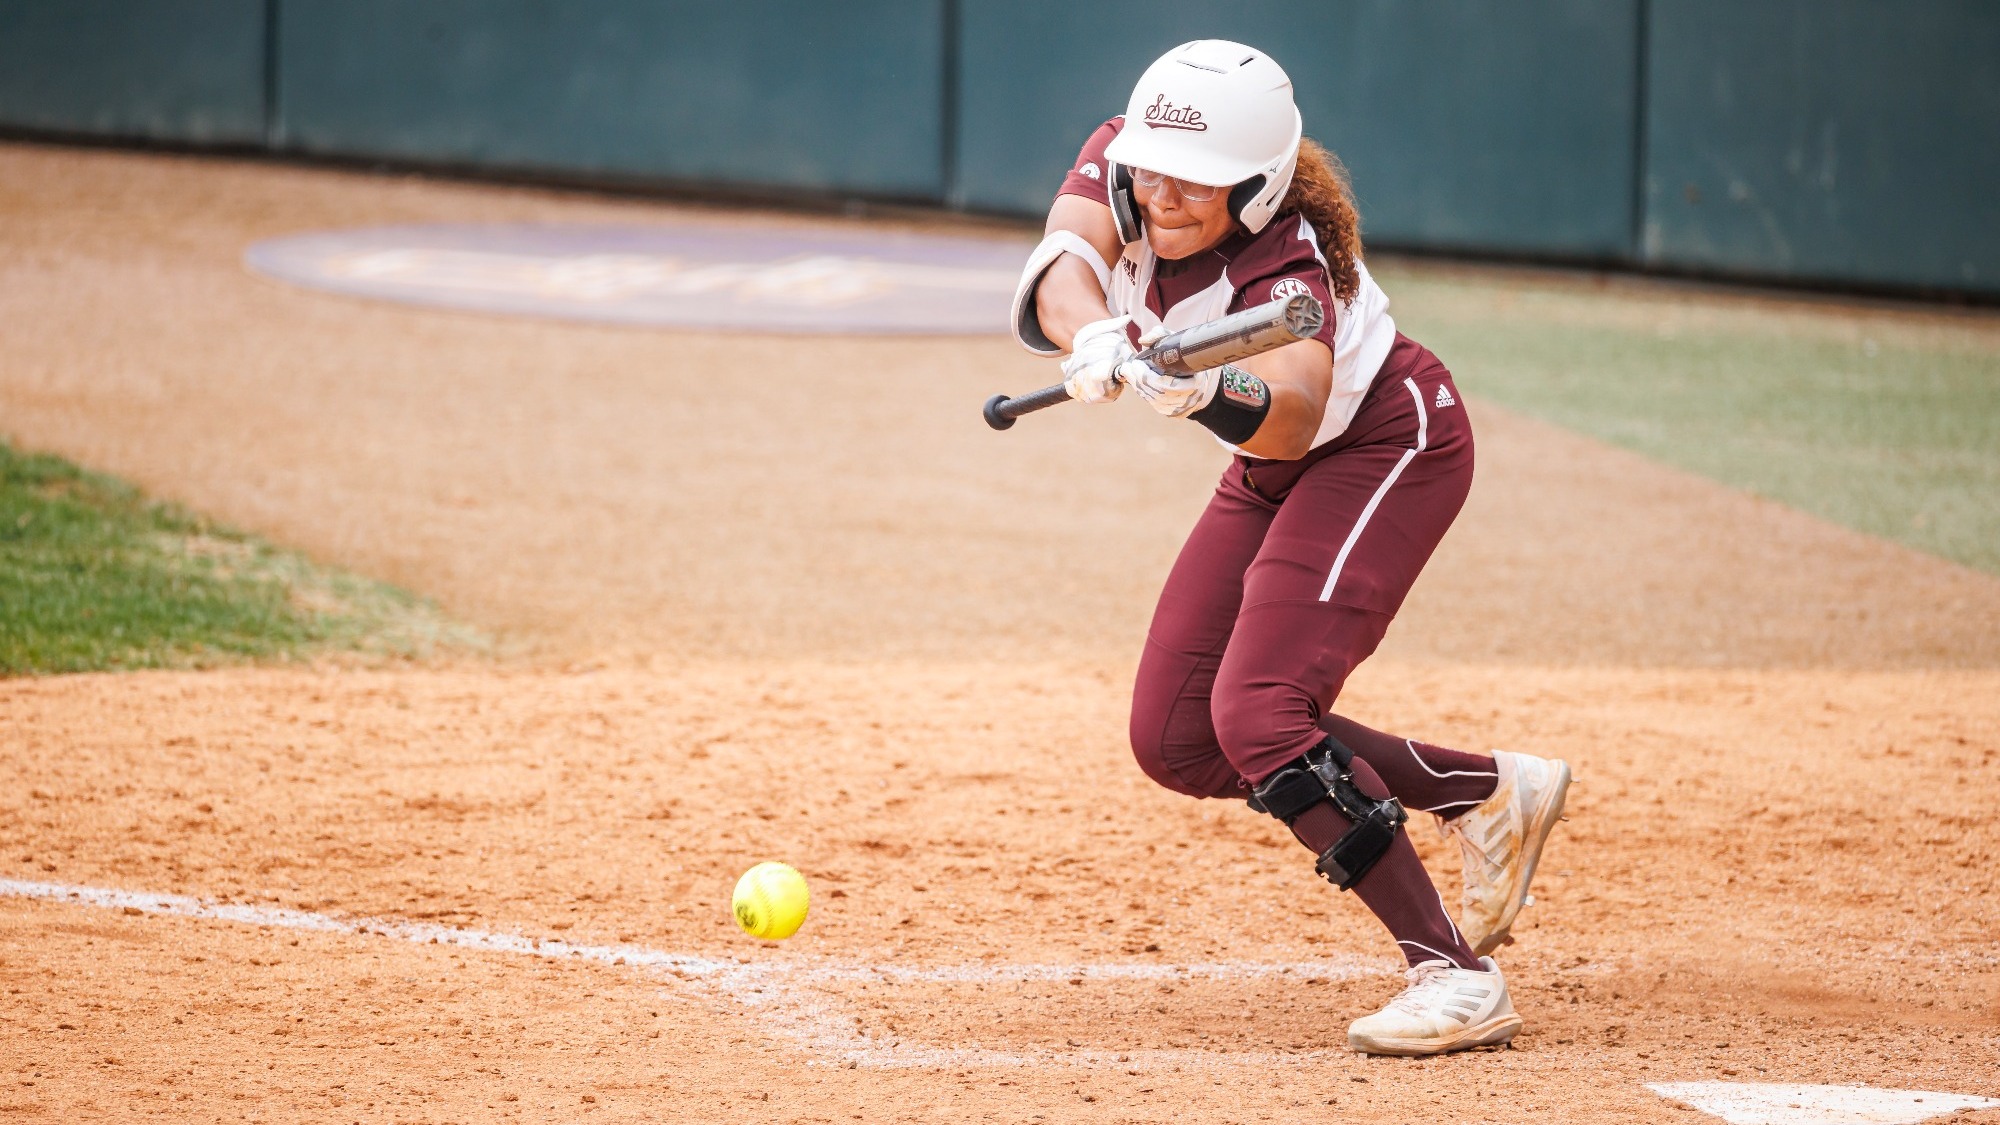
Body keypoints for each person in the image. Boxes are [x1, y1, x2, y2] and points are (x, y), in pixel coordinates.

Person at [1010, 40, 1572, 1057]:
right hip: (1279, 471)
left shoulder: (1287, 258)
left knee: (1258, 711)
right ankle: (1478, 790)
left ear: (1258, 187)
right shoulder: (1128, 159)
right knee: (1177, 735)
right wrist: (1094, 334)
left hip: (1384, 445)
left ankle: (1451, 973)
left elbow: (1291, 412)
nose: (1165, 192)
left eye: (1200, 180)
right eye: (1152, 167)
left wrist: (1204, 392)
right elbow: (1061, 264)